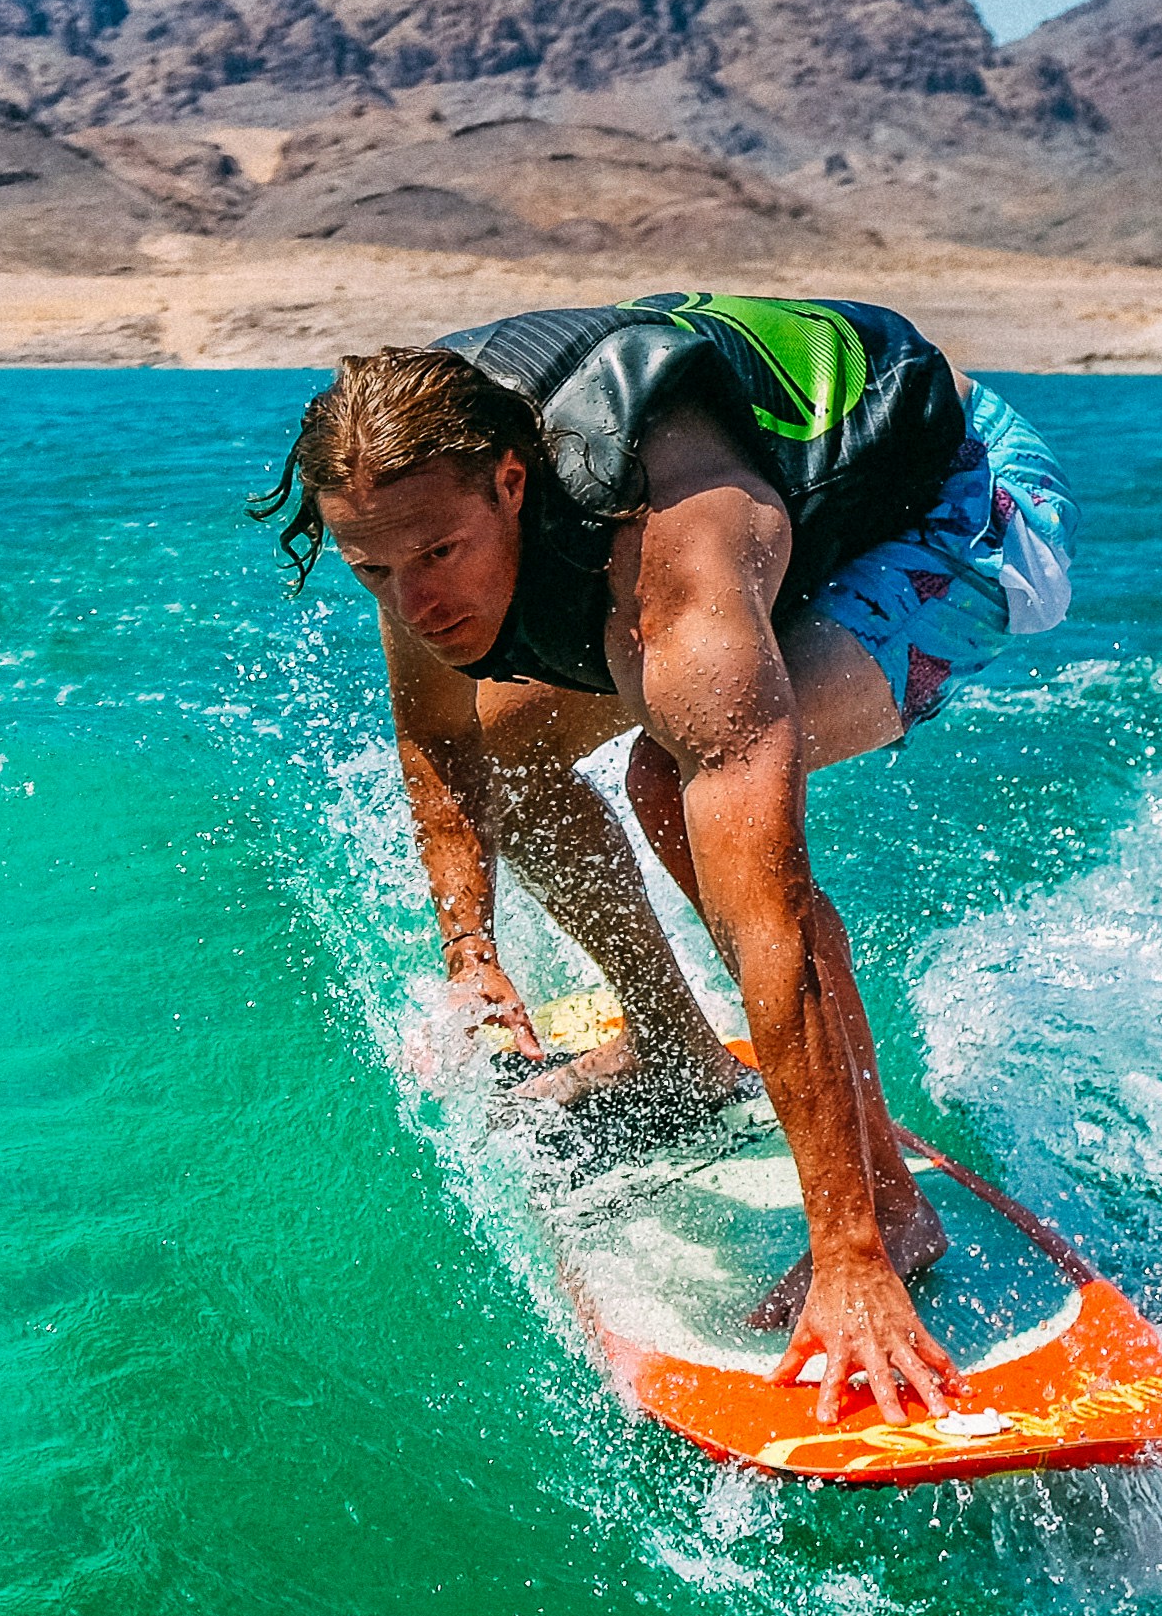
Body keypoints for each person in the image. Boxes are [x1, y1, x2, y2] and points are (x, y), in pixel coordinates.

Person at [255, 294, 1076, 1428]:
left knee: (666, 776)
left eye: (438, 558)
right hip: (760, 514)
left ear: (509, 481)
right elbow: (442, 738)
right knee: (509, 751)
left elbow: (768, 911)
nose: (414, 600)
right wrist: (472, 954)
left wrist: (841, 1248)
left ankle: (888, 1211)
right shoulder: (409, 498)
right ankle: (679, 1057)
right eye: (373, 574)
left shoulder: (666, 542)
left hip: (963, 503)